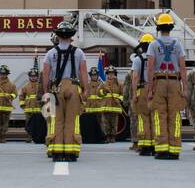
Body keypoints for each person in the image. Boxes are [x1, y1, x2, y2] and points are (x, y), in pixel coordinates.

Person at [42, 22, 89, 162]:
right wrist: (85, 90)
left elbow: (45, 74)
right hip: (73, 87)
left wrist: (46, 93)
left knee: (56, 120)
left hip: (56, 89)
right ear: (71, 36)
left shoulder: (51, 53)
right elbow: (83, 73)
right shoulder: (79, 52)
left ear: (57, 35)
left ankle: (57, 152)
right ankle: (70, 152)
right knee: (72, 120)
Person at [148, 12, 187, 160]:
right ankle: (174, 149)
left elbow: (150, 68)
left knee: (160, 115)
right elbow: (183, 68)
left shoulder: (153, 44)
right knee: (175, 115)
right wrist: (185, 88)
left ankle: (162, 149)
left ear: (159, 28)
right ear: (171, 28)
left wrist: (150, 89)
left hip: (159, 81)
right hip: (175, 81)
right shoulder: (177, 44)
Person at [129, 33, 154, 154]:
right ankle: (155, 145)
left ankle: (144, 146)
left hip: (142, 90)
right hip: (155, 90)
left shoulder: (138, 60)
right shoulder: (156, 59)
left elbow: (135, 77)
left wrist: (134, 94)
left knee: (143, 118)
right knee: (155, 118)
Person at [99, 67, 124, 143]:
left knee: (114, 122)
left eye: (112, 73)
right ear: (107, 74)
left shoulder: (119, 84)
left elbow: (122, 94)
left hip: (114, 106)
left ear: (115, 74)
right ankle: (107, 137)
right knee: (105, 122)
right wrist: (104, 92)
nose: (111, 75)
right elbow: (98, 93)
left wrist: (119, 99)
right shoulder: (103, 84)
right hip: (105, 106)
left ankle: (113, 137)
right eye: (109, 73)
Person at [20, 68, 44, 143]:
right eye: (31, 76)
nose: (33, 77)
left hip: (38, 109)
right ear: (29, 77)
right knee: (28, 123)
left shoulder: (41, 86)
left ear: (37, 77)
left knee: (38, 124)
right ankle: (29, 137)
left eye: (35, 76)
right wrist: (22, 105)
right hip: (28, 109)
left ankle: (37, 137)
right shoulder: (25, 87)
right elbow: (21, 96)